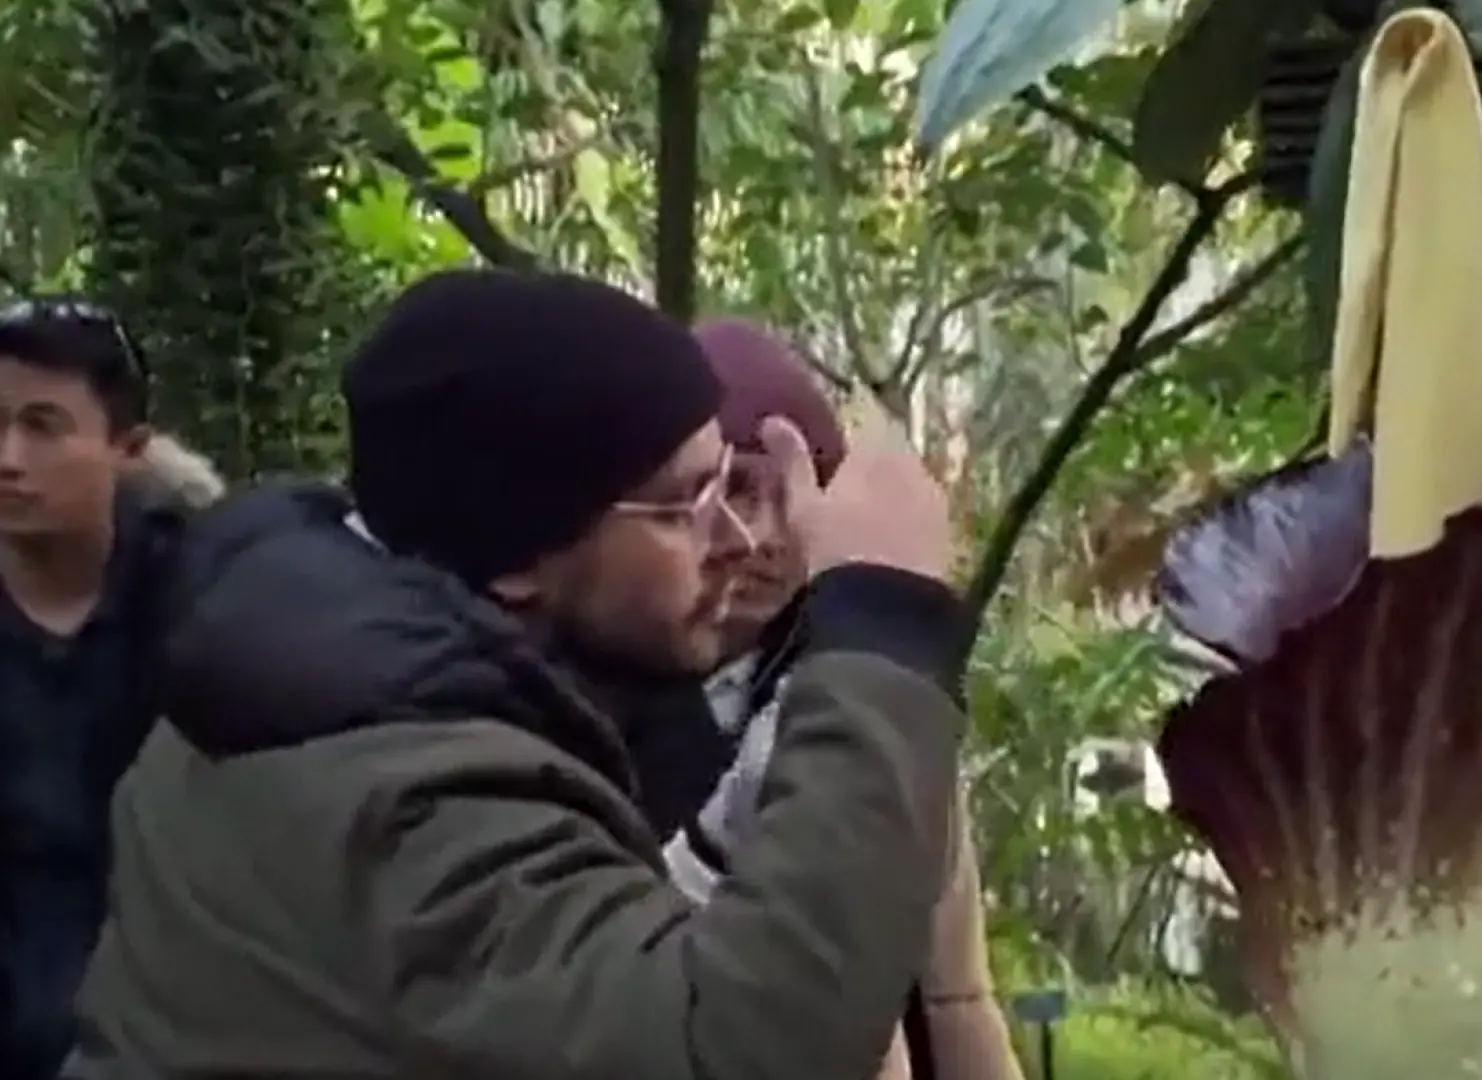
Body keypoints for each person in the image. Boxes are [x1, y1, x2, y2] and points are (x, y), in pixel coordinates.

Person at [64, 268, 969, 1080]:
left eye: (725, 482)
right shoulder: (405, 793)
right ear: (521, 556)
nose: (732, 541)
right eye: (681, 505)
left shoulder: (321, 679)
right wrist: (880, 630)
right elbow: (738, 1049)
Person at [668, 318, 1023, 1080]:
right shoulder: (583, 707)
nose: (764, 536)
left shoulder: (876, 704)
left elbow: (958, 996)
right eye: (734, 490)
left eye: (794, 496)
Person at [0, 298, 223, 1080]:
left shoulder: (209, 600)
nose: (8, 458)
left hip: (175, 1020)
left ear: (127, 449)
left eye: (43, 427)